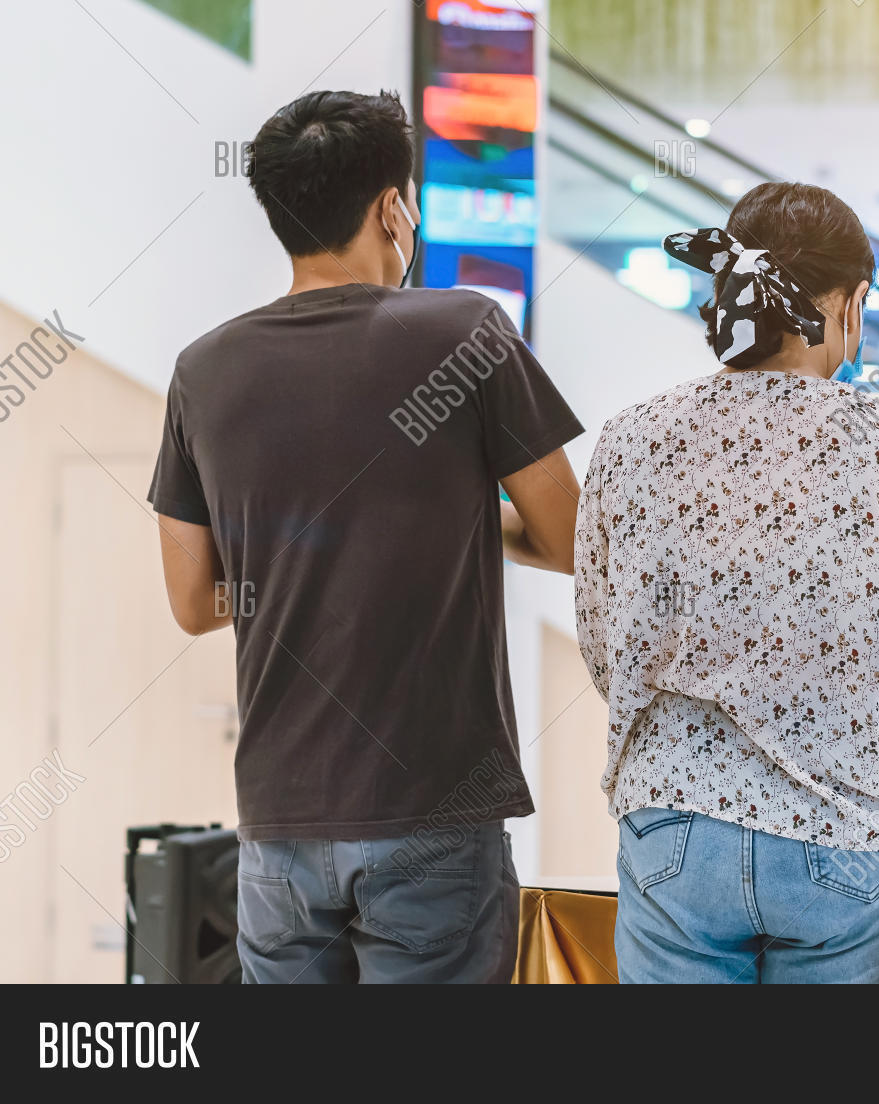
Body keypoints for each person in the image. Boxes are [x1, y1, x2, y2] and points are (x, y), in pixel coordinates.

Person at [148, 90, 584, 983]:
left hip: (279, 824)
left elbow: (193, 603)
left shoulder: (203, 369)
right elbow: (569, 537)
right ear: (394, 208)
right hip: (432, 810)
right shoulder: (466, 331)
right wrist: (462, 513)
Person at [574, 182, 879, 984]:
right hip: (853, 832)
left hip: (675, 827)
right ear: (852, 304)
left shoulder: (632, 439)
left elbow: (607, 648)